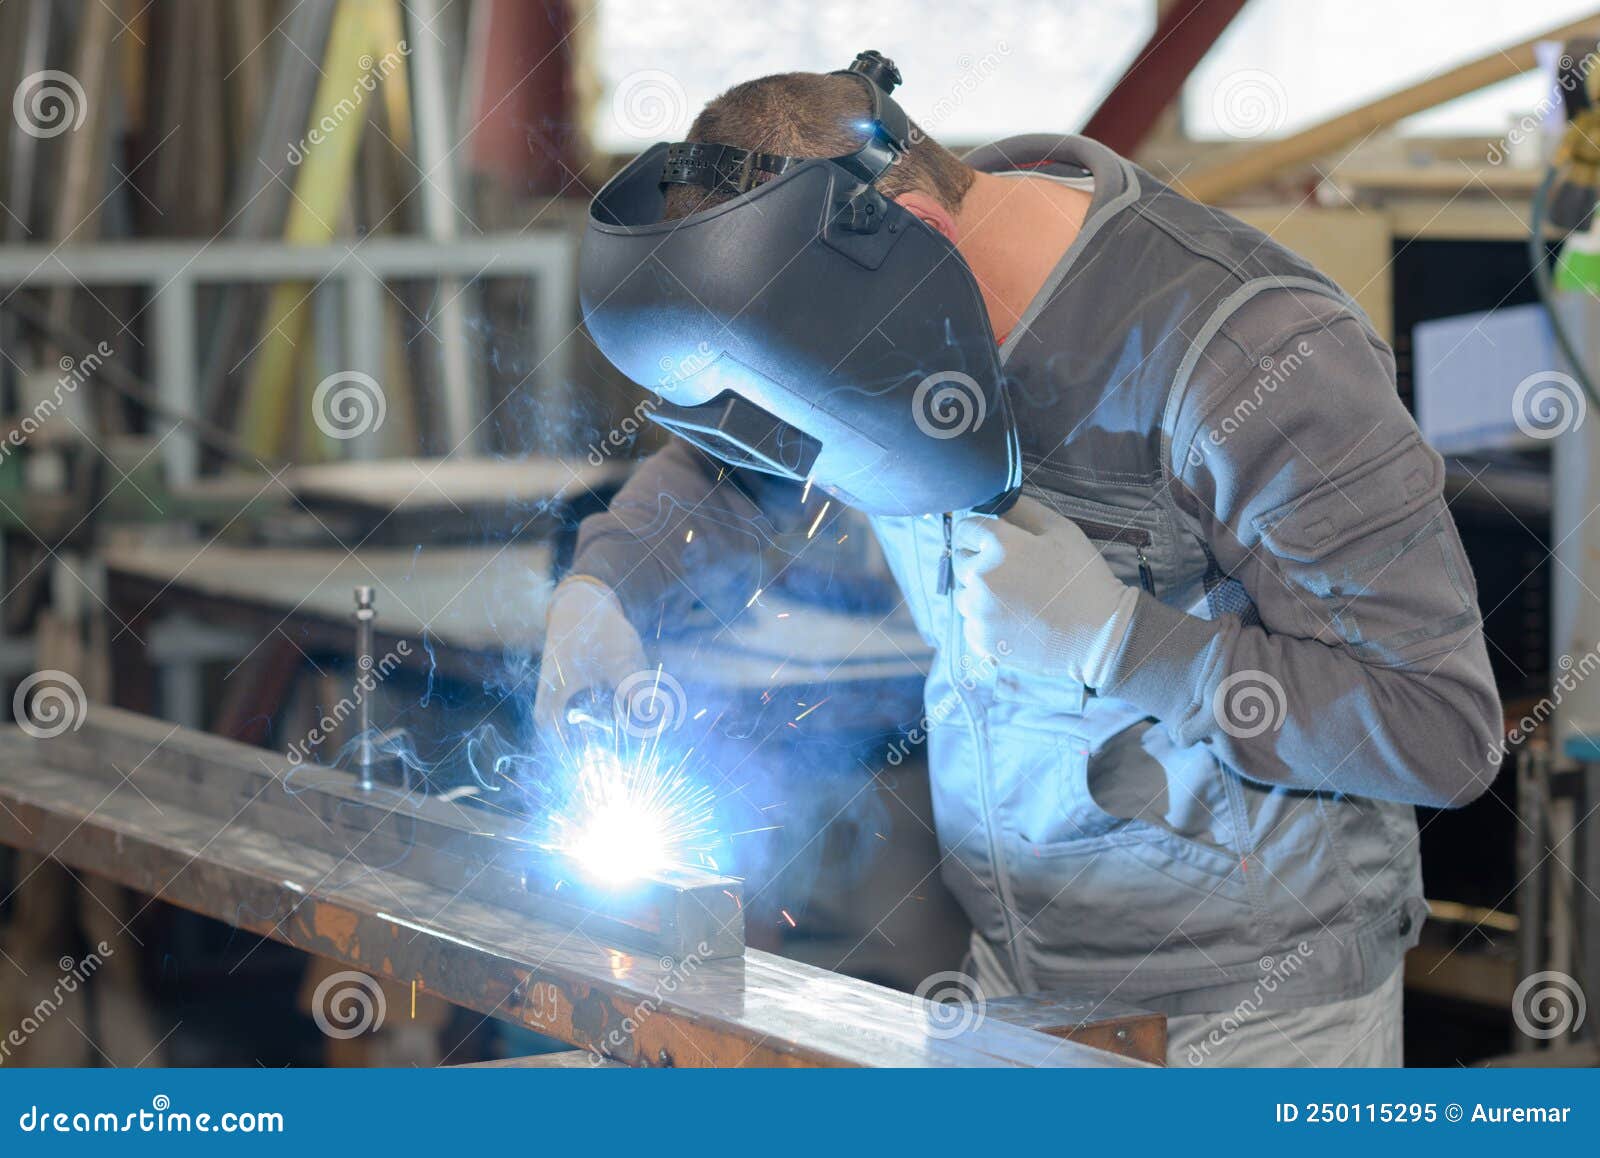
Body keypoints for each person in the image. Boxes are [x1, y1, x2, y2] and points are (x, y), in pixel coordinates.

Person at [536, 60, 1502, 1067]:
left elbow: (1438, 728)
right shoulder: (866, 309)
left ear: (922, 239)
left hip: (1249, 1018)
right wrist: (606, 592)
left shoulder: (1249, 356)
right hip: (1010, 978)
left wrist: (1122, 642)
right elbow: (735, 463)